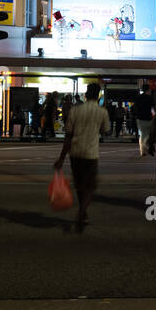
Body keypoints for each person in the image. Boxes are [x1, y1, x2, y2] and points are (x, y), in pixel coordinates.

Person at [54, 82, 110, 229]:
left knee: (79, 185)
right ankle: (82, 211)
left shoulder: (75, 111)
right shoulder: (102, 112)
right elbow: (106, 130)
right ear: (98, 96)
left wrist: (61, 158)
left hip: (75, 152)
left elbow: (68, 136)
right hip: (91, 153)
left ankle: (83, 214)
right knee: (90, 186)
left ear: (85, 94)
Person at [135, 85, 155, 158]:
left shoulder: (138, 97)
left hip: (139, 118)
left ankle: (142, 151)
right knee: (147, 134)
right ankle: (144, 146)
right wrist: (154, 115)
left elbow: (135, 107)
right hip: (148, 118)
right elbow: (152, 109)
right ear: (148, 90)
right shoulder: (150, 98)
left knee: (142, 134)